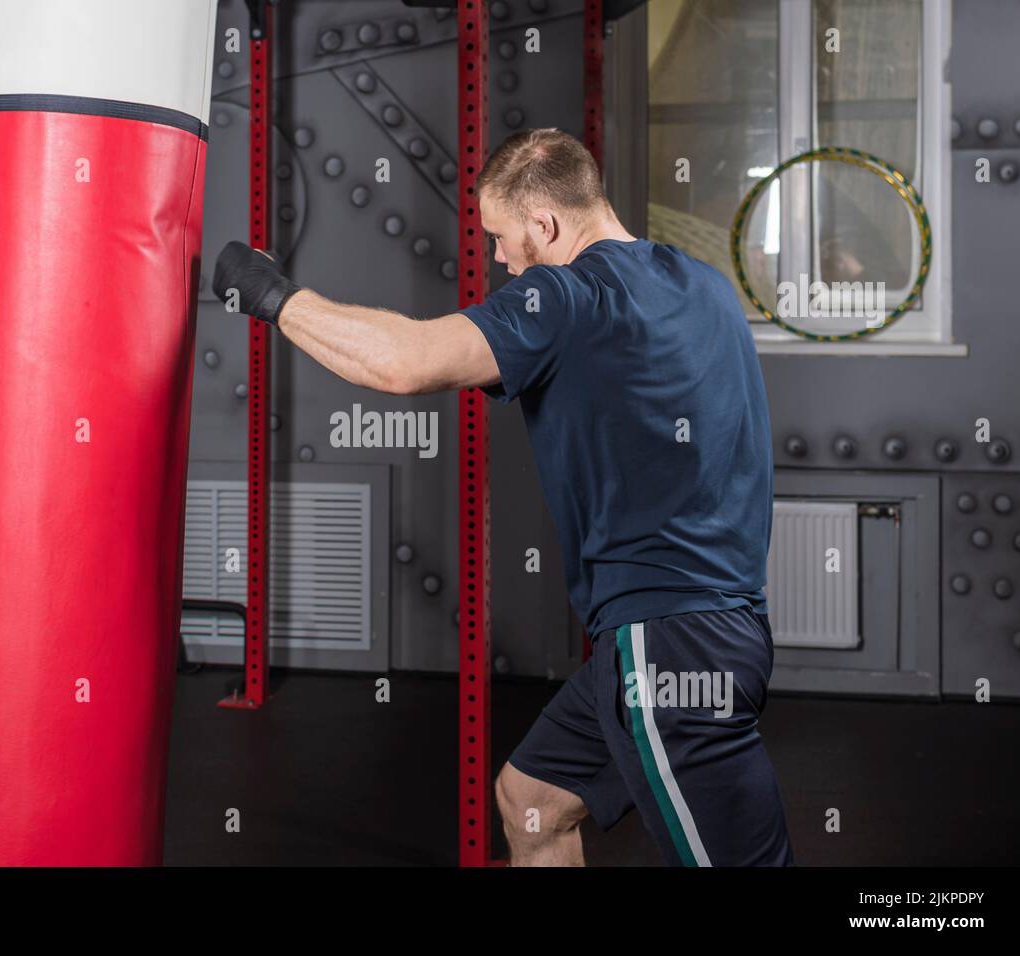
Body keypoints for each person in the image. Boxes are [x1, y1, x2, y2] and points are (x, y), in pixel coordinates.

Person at [211, 127, 793, 867]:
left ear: (544, 225)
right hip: (710, 629)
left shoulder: (569, 295)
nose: (499, 259)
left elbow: (404, 363)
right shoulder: (702, 284)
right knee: (533, 800)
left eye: (501, 238)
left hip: (668, 646)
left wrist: (273, 296)